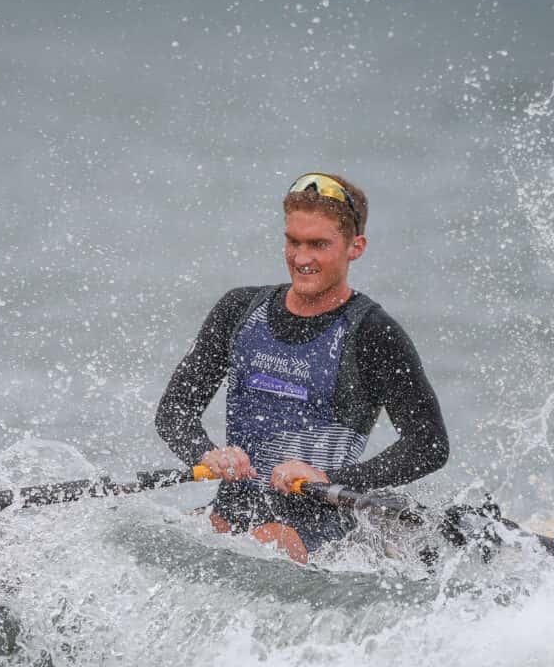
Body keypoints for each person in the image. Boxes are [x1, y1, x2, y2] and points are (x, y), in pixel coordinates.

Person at [155, 172, 449, 563]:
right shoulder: (239, 311)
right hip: (233, 507)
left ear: (354, 247)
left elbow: (427, 446)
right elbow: (174, 411)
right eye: (293, 242)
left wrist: (329, 478)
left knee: (264, 543)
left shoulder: (374, 333)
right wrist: (206, 454)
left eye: (318, 245)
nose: (301, 258)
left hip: (320, 521)